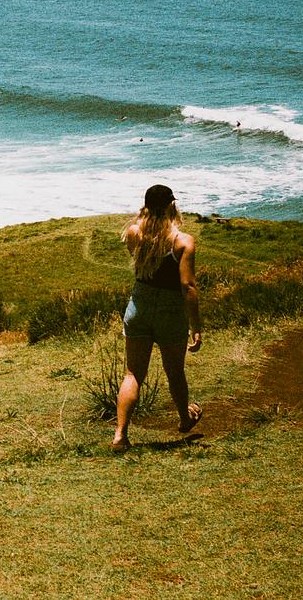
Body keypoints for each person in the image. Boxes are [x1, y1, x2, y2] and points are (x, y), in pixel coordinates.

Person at [111, 184, 203, 450]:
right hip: (170, 309)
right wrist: (195, 325)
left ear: (145, 207)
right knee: (174, 371)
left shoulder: (133, 233)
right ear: (172, 205)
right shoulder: (182, 242)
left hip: (138, 305)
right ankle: (185, 419)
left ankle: (120, 434)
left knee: (133, 374)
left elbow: (144, 267)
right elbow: (187, 287)